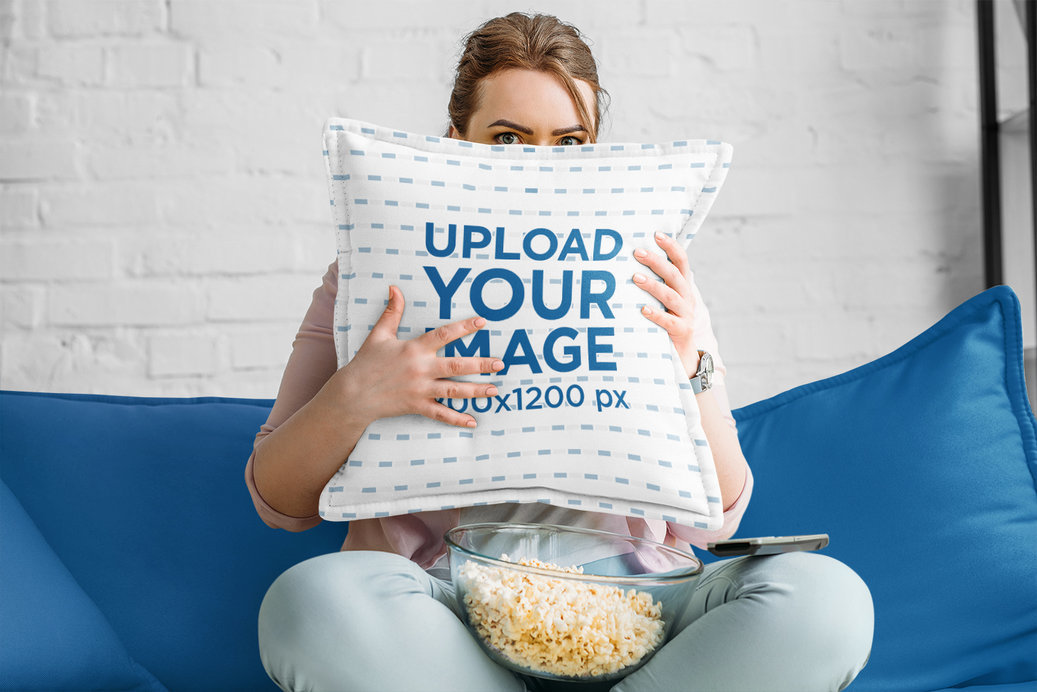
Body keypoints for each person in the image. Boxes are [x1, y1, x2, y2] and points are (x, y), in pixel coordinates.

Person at [247, 12, 873, 692]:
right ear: (455, 142)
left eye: (567, 140)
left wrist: (693, 357)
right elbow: (279, 501)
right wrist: (355, 397)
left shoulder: (643, 273)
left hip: (636, 610)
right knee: (313, 600)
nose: (538, 163)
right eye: (508, 138)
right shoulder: (371, 274)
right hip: (440, 622)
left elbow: (719, 514)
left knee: (824, 598)